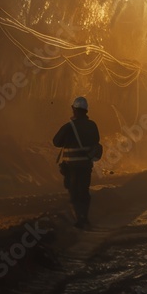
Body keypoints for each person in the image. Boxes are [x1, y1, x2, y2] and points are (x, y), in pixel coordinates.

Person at [53, 96, 101, 229]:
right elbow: (96, 140)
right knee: (84, 191)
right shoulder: (92, 126)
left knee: (74, 191)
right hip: (86, 166)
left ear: (73, 109)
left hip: (71, 167)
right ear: (86, 110)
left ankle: (79, 218)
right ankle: (84, 218)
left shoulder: (68, 127)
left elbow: (56, 142)